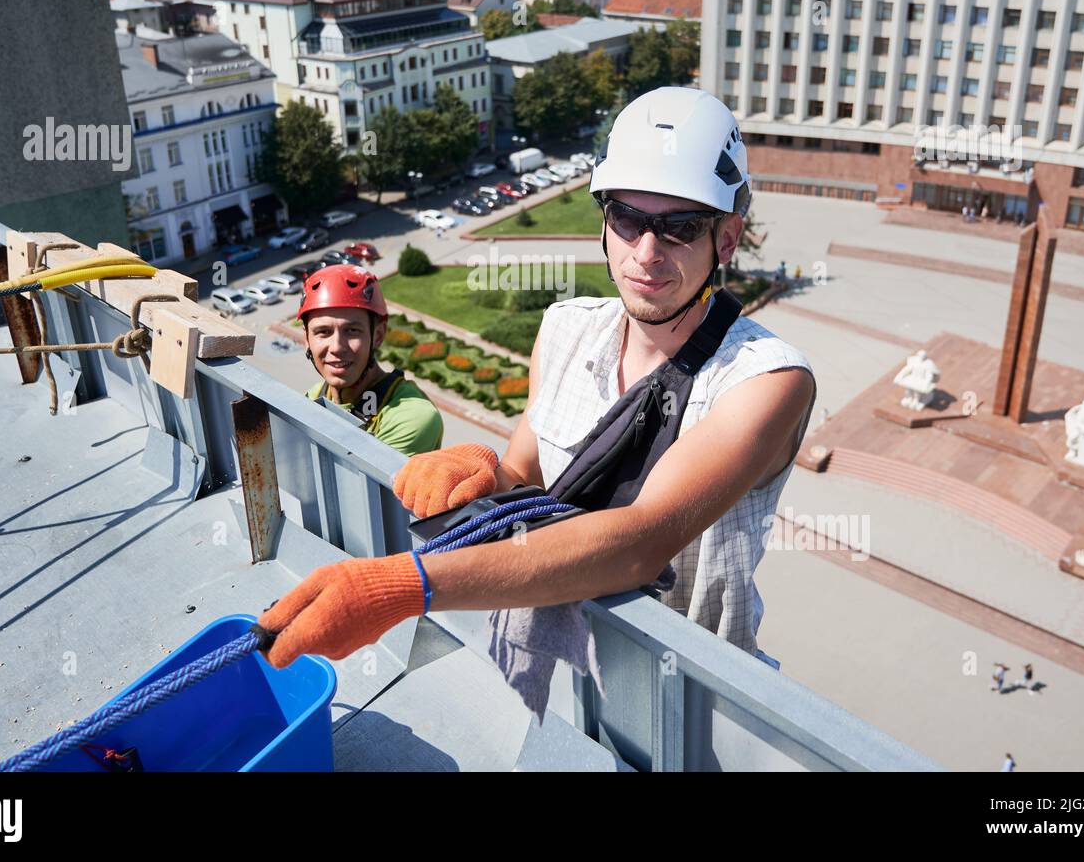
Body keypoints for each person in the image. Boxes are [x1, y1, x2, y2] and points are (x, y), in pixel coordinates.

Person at [258, 87, 817, 670]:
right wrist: (478, 466)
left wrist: (406, 585)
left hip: (692, 695)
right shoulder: (564, 331)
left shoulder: (764, 381)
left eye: (679, 226)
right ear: (604, 222)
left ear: (725, 237)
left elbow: (641, 544)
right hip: (558, 656)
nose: (647, 252)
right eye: (627, 218)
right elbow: (524, 475)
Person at [298, 264, 444, 458]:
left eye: (352, 331)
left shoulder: (411, 416)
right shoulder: (316, 394)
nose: (337, 347)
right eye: (323, 332)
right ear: (307, 339)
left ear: (378, 335)